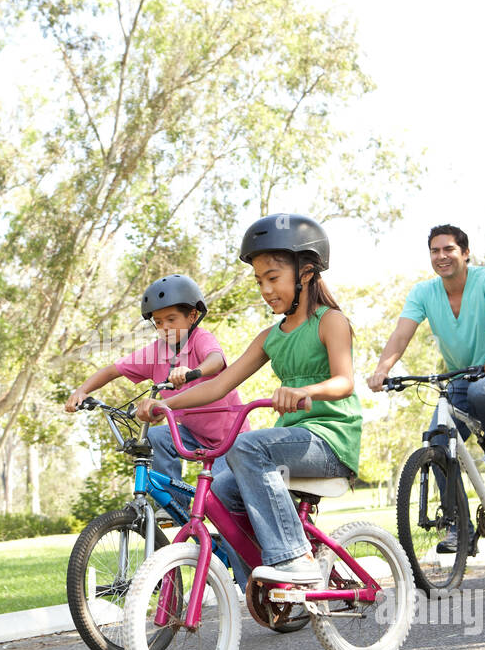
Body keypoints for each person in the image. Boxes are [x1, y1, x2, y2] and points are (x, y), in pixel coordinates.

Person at [137, 213, 359, 585]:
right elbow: (218, 385)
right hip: (290, 442)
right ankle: (259, 586)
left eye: (273, 278)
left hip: (330, 440)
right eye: (259, 281)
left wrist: (305, 391)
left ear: (305, 273)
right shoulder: (270, 336)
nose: (266, 289)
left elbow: (344, 382)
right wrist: (166, 404)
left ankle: (293, 557)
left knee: (244, 448)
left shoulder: (330, 321)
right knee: (219, 494)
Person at [367, 224, 485, 550]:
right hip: (463, 376)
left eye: (449, 249)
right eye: (435, 251)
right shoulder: (423, 293)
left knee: (483, 392)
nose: (441, 256)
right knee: (439, 442)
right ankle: (461, 529)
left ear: (465, 253)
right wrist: (382, 370)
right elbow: (402, 334)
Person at [64, 274, 246, 483]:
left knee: (220, 491)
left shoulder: (200, 339)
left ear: (193, 316)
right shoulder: (156, 352)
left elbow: (215, 359)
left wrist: (194, 372)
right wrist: (82, 390)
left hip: (231, 438)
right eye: (158, 322)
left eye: (171, 319)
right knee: (154, 438)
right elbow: (111, 370)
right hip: (193, 434)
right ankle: (172, 509)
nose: (164, 327)